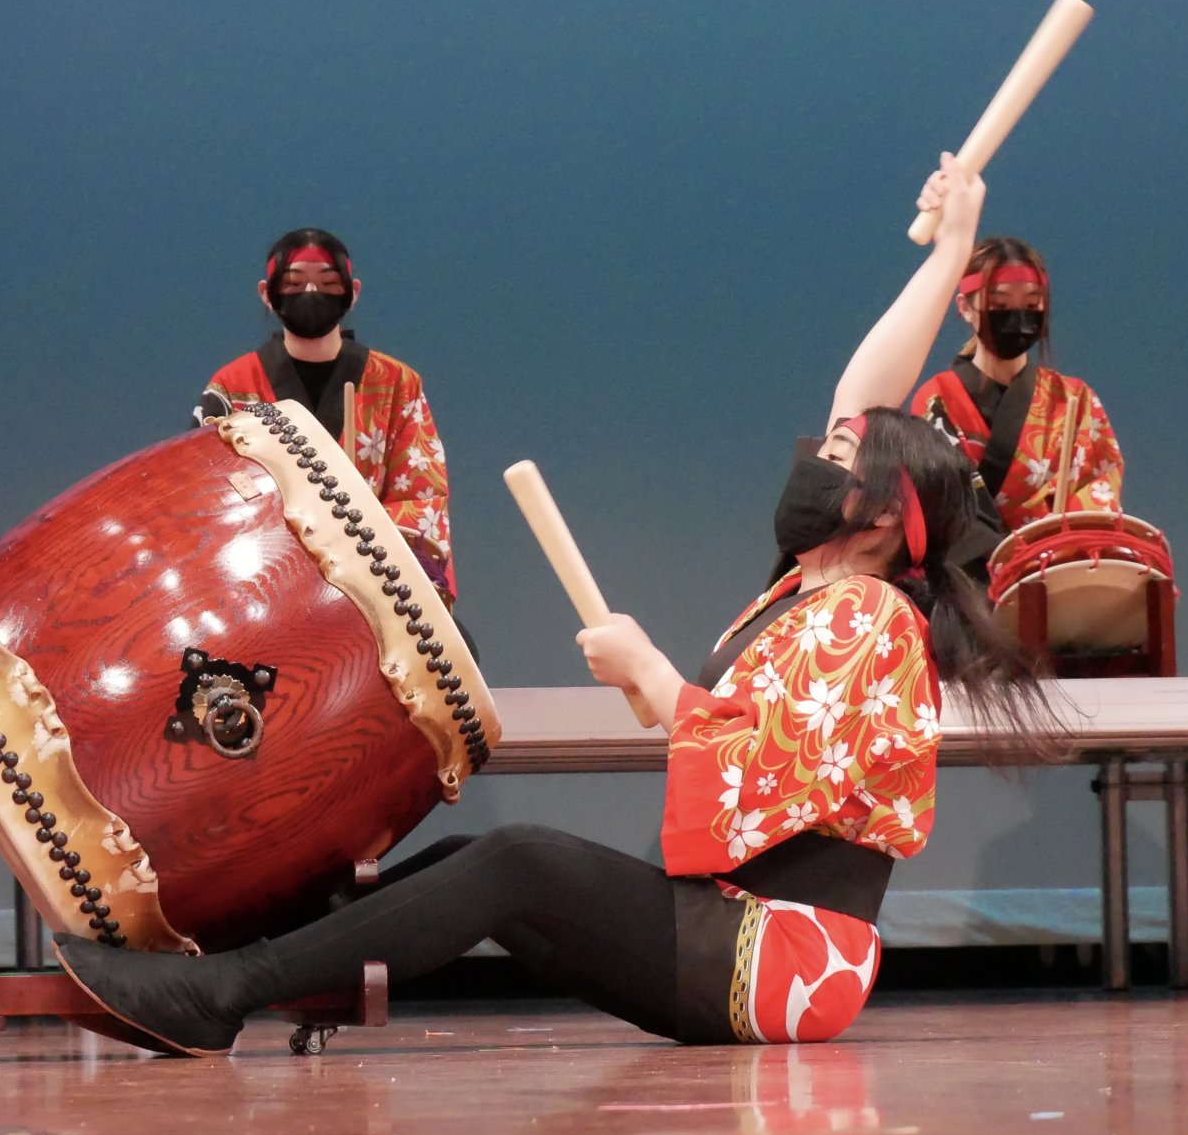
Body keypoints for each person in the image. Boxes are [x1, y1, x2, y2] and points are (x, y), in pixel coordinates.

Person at [57, 157, 1049, 1053]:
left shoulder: (873, 620)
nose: (817, 456)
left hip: (785, 953)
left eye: (839, 458)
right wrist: (952, 246)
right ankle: (225, 973)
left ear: (880, 513)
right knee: (475, 860)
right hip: (732, 926)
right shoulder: (808, 591)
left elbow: (772, 767)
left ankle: (220, 994)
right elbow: (864, 390)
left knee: (519, 858)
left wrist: (655, 677)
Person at [201, 228, 457, 602]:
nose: (310, 293)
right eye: (293, 283)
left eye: (327, 282)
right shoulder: (232, 386)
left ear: (353, 292)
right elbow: (209, 499)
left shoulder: (396, 383)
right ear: (266, 294)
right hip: (262, 584)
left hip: (371, 583)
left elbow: (420, 498)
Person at [894, 238, 1124, 577]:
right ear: (964, 307)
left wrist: (1066, 559)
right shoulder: (937, 398)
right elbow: (947, 508)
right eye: (1000, 306)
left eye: (1032, 305)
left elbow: (1095, 494)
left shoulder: (1074, 399)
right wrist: (1012, 569)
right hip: (969, 585)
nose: (1018, 319)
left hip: (1056, 578)